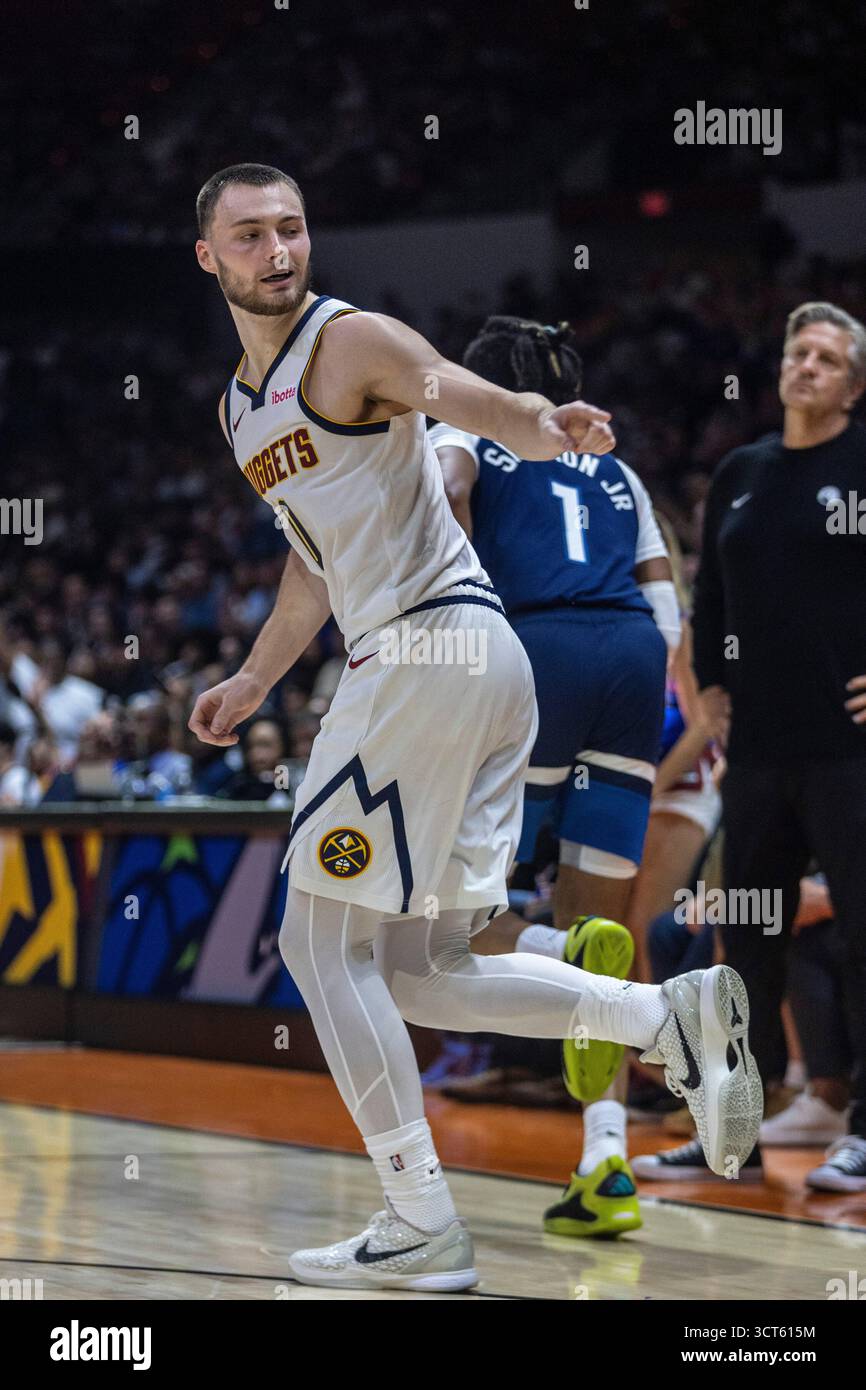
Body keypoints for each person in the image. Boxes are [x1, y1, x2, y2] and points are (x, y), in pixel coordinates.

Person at [188, 162, 762, 1291]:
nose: (277, 251)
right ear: (206, 256)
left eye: (292, 229)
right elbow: (314, 561)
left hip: (426, 652)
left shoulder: (347, 341)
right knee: (422, 964)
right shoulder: (237, 408)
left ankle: (415, 1216)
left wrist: (538, 421)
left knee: (317, 944)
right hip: (473, 664)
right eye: (250, 235)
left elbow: (459, 394)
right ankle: (666, 1017)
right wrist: (255, 679)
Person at [429, 316, 677, 1238]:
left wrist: (463, 616)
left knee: (457, 911)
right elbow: (664, 594)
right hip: (633, 660)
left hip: (535, 648)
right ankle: (606, 1163)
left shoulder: (467, 429)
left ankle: (551, 956)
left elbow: (451, 494)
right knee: (601, 913)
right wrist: (665, 686)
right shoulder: (619, 469)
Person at [643, 300, 866, 1193]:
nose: (804, 366)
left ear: (853, 383)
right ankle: (731, 1132)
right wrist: (714, 688)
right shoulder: (740, 472)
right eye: (795, 351)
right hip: (761, 753)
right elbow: (713, 606)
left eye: (825, 357)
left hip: (848, 748)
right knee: (750, 937)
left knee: (862, 934)